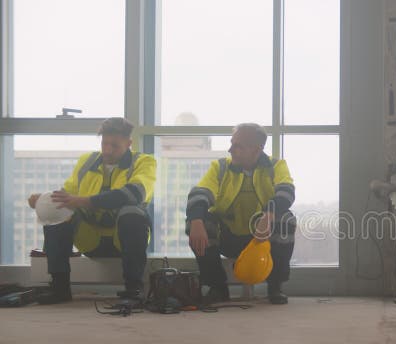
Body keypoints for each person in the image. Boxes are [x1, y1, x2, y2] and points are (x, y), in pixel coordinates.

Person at [27, 117, 156, 304]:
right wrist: (42, 201)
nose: (107, 150)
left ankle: (134, 289)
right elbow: (67, 196)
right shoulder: (86, 162)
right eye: (104, 144)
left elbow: (133, 194)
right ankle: (59, 288)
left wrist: (84, 201)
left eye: (114, 145)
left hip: (125, 240)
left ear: (129, 144)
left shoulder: (144, 162)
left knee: (132, 213)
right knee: (58, 209)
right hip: (90, 240)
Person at [186, 123, 296, 304]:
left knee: (286, 220)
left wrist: (268, 215)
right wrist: (196, 221)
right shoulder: (220, 167)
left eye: (238, 146)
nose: (230, 150)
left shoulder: (276, 166)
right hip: (228, 237)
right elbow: (200, 192)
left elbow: (287, 191)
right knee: (198, 220)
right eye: (232, 143)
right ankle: (217, 288)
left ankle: (275, 286)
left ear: (256, 150)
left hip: (261, 239)